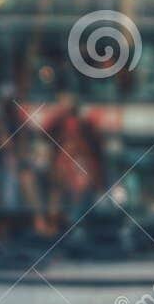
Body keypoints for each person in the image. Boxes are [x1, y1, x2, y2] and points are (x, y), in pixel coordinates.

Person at [40, 92, 105, 233]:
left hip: (81, 166)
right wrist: (59, 113)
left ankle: (75, 223)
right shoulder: (58, 122)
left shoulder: (85, 123)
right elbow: (44, 132)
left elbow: (97, 148)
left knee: (79, 182)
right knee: (58, 185)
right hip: (64, 167)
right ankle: (56, 221)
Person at [0, 90, 40, 230]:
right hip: (0, 166)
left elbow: (23, 149)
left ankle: (36, 219)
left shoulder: (19, 123)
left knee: (26, 179)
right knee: (12, 178)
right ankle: (6, 221)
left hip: (16, 165)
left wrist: (22, 158)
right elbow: (4, 144)